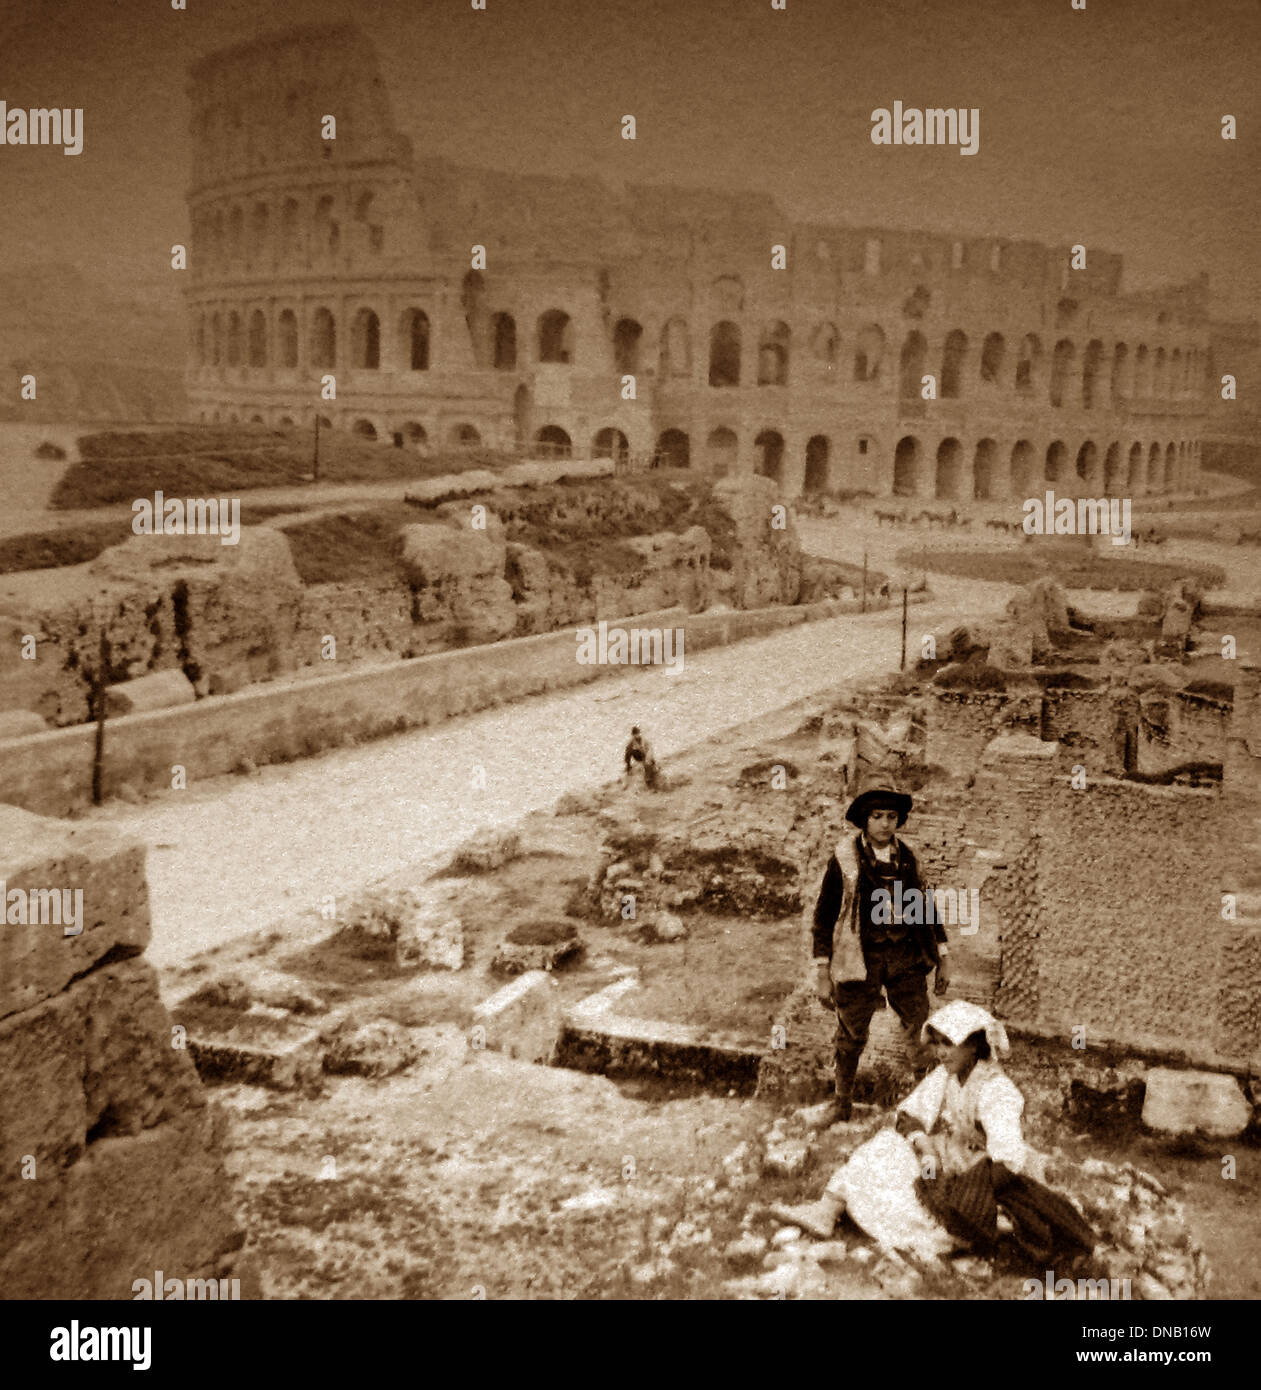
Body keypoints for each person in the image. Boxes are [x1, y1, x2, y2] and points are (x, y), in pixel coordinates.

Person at [770, 1001, 1098, 1266]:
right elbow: (909, 1114)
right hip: (950, 1154)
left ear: (974, 1046)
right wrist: (925, 1147)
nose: (942, 1052)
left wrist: (953, 1187)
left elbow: (1007, 1160)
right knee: (886, 1145)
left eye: (950, 1044)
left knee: (933, 1209)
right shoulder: (946, 1075)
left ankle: (937, 1234)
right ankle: (827, 1211)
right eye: (938, 1044)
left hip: (985, 1172)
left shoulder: (997, 1090)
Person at [810, 772, 950, 1123]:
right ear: (864, 820)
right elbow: (823, 917)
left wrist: (944, 957)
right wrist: (822, 972)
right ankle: (841, 1104)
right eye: (877, 816)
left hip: (905, 958)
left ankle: (926, 1109)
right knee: (851, 1033)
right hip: (861, 958)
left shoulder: (909, 859)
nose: (885, 824)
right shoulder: (844, 860)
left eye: (891, 817)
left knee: (919, 1030)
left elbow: (927, 908)